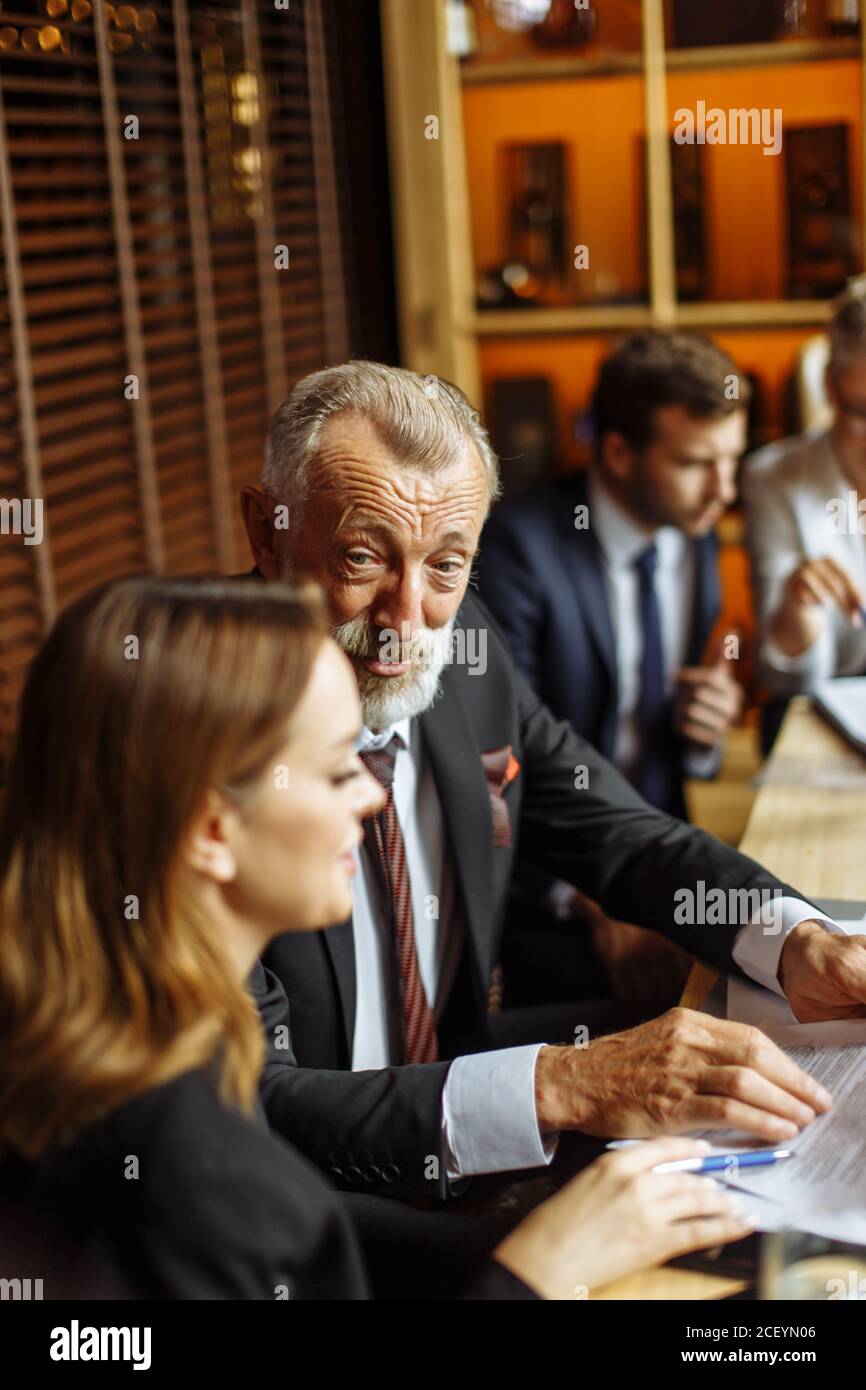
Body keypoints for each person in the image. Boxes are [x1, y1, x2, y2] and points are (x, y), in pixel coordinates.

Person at [0, 575, 752, 1300]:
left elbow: (300, 1242)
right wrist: (532, 1274)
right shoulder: (168, 1147)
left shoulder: (139, 1028)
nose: (373, 792)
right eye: (337, 771)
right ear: (212, 831)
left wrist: (550, 1236)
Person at [240, 361, 862, 1203]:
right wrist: (558, 1085)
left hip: (457, 1093)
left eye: (446, 566)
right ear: (265, 531)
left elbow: (618, 833)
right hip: (313, 1194)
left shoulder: (462, 652)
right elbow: (248, 1106)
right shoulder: (190, 730)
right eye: (361, 557)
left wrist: (798, 942)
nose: (404, 619)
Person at [477, 330, 747, 1008]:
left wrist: (704, 735)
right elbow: (502, 759)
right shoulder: (520, 549)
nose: (724, 489)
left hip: (660, 850)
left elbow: (671, 741)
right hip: (546, 882)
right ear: (619, 452)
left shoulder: (695, 527)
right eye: (696, 463)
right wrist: (599, 905)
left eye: (733, 460)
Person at [744, 276, 866, 708]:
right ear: (830, 388)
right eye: (863, 412)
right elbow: (785, 682)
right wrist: (799, 604)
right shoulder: (772, 479)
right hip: (829, 703)